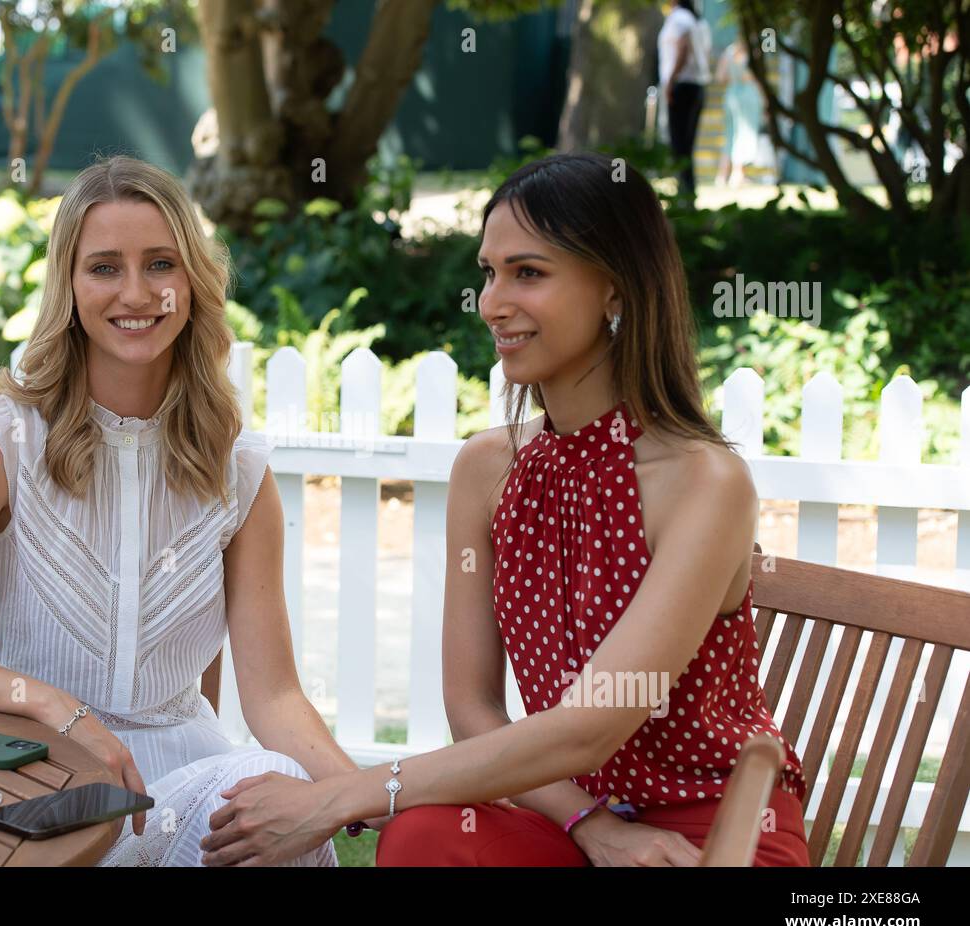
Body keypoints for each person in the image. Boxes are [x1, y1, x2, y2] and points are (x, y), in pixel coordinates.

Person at [199, 152, 809, 867]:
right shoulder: (488, 469)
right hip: (571, 817)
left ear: (615, 289)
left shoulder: (705, 482)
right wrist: (590, 824)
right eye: (489, 273)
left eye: (529, 273)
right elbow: (473, 711)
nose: (491, 301)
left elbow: (590, 728)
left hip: (712, 838)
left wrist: (341, 797)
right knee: (423, 838)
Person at [0, 155, 375, 866]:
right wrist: (57, 707)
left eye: (161, 264)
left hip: (185, 780)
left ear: (192, 283)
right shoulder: (5, 440)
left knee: (276, 792)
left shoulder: (237, 472)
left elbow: (275, 700)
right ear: (69, 286)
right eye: (105, 267)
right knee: (265, 797)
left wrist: (366, 793)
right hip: (43, 781)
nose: (136, 292)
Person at [658, 1, 711, 198]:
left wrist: (671, 80)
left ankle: (686, 191)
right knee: (686, 143)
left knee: (679, 142)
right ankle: (687, 190)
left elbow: (683, 48)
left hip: (683, 86)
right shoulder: (699, 22)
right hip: (696, 86)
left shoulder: (679, 19)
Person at [715, 37, 763, 187]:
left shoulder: (728, 53)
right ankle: (737, 174)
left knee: (730, 135)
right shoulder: (751, 54)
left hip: (731, 96)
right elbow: (756, 79)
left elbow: (720, 77)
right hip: (746, 97)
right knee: (742, 134)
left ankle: (722, 175)